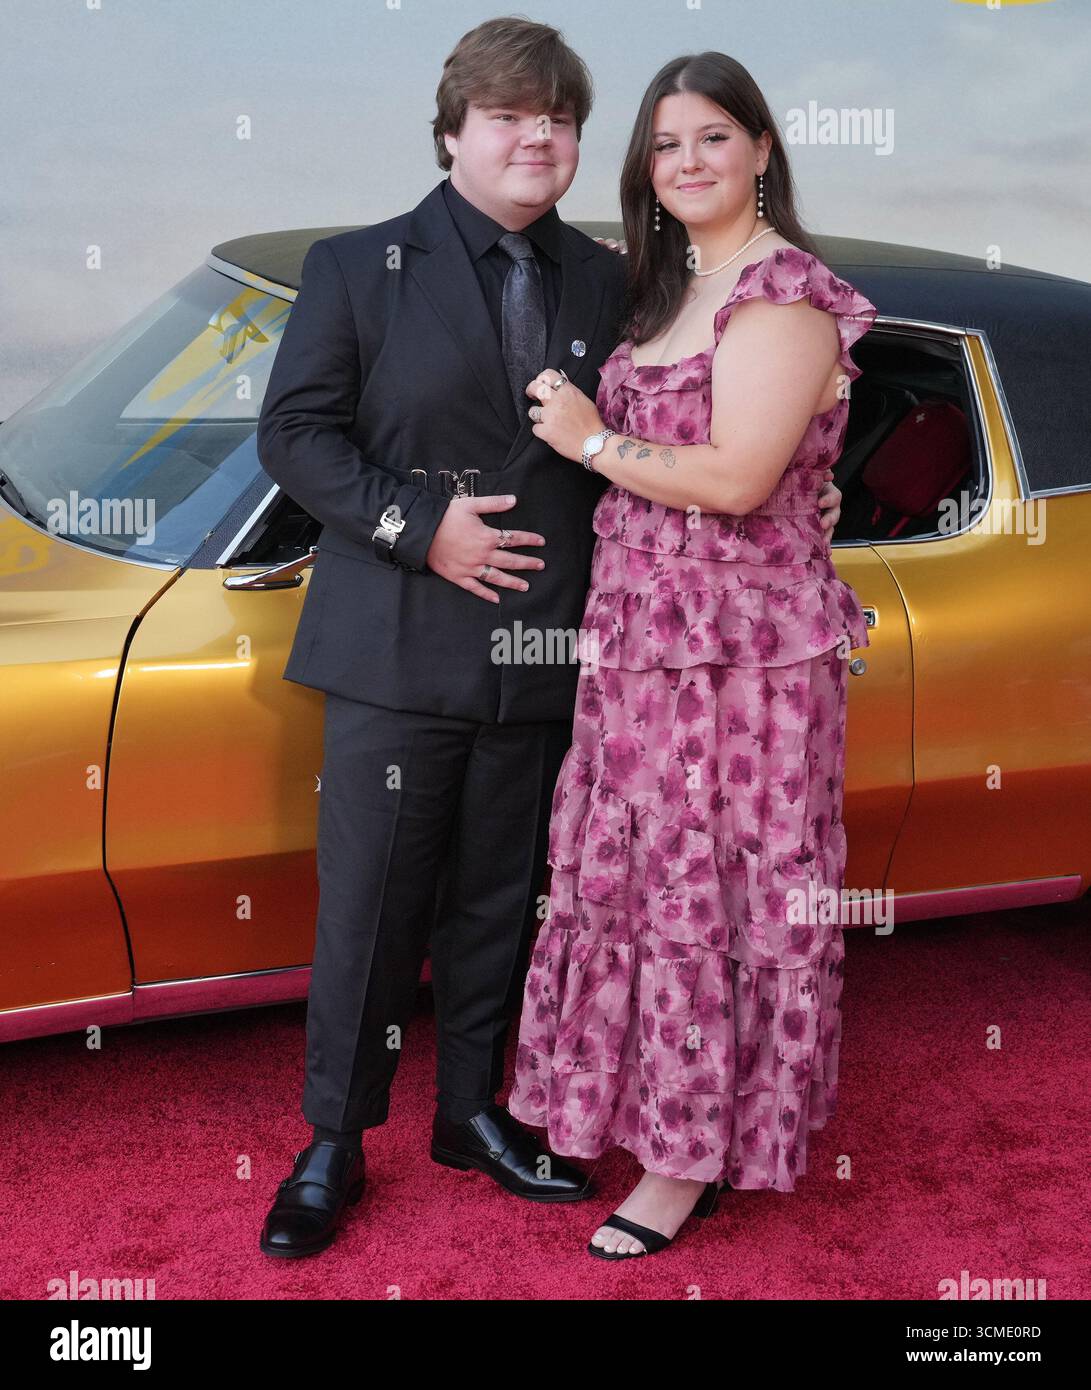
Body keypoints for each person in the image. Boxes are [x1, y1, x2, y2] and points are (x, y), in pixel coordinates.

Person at [255, 18, 843, 1259]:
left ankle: (474, 1112)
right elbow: (295, 440)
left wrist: (807, 485)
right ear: (452, 132)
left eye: (559, 120)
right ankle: (331, 1143)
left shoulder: (617, 280)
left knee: (499, 906)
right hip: (398, 648)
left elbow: (724, 421)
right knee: (369, 911)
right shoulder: (357, 267)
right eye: (508, 116)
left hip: (568, 658)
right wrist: (423, 529)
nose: (536, 137)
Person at [505, 50, 877, 1260]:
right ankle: (648, 1111)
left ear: (762, 150)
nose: (687, 162)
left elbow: (734, 477)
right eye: (665, 145)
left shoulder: (780, 295)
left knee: (719, 899)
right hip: (636, 646)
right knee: (632, 887)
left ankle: (686, 1161)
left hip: (745, 664)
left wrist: (591, 436)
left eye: (713, 137)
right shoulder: (661, 289)